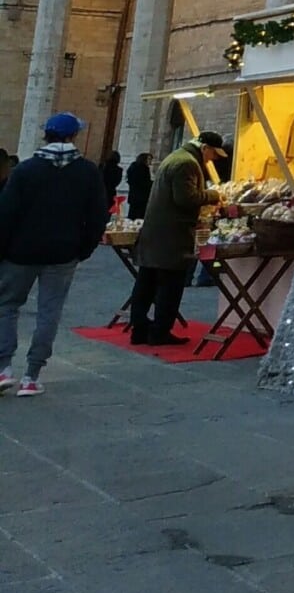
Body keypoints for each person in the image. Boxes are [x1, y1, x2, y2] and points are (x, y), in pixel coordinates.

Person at [0, 114, 112, 395]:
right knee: (49, 311)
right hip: (63, 252)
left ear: (45, 136)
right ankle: (32, 375)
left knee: (7, 306)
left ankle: (3, 367)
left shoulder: (26, 170)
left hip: (20, 252)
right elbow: (98, 215)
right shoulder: (87, 172)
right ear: (74, 137)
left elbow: (6, 214)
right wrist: (83, 248)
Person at [131, 132, 230, 347]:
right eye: (213, 153)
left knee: (146, 282)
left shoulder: (176, 157)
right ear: (205, 148)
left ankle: (139, 329)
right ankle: (159, 332)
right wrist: (213, 195)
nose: (212, 159)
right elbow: (186, 199)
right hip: (172, 236)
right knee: (170, 284)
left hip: (156, 232)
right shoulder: (188, 164)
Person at [125, 152, 153, 222]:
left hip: (133, 196)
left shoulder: (133, 166)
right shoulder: (144, 169)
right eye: (149, 159)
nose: (150, 161)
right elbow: (145, 182)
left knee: (132, 214)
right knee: (139, 216)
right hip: (141, 197)